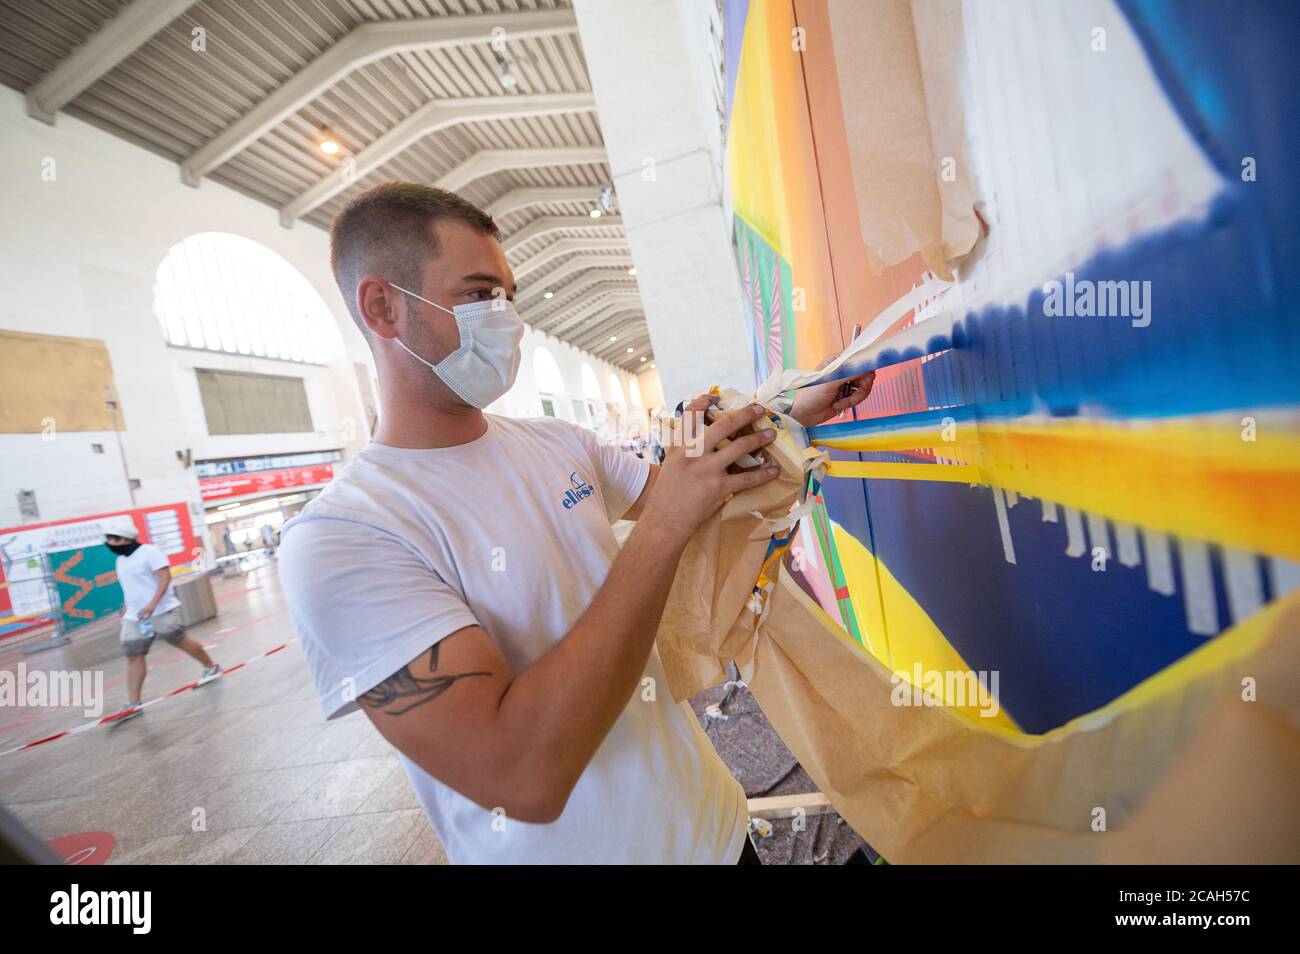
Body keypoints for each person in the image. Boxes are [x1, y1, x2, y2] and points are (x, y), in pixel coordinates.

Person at [277, 181, 874, 864]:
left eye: (510, 296)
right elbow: (519, 775)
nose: (507, 320)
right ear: (383, 307)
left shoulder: (558, 444)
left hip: (715, 831)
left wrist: (786, 409)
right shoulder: (346, 537)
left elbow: (700, 487)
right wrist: (660, 532)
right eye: (477, 296)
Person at [104, 519, 221, 721]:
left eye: (114, 539)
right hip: (135, 616)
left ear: (127, 539)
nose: (110, 543)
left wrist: (152, 603)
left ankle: (211, 667)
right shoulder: (120, 561)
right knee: (133, 655)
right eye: (108, 539)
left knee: (179, 640)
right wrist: (126, 608)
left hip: (161, 610)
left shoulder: (149, 552)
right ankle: (134, 704)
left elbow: (164, 577)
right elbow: (130, 587)